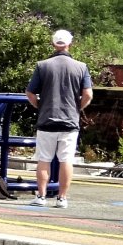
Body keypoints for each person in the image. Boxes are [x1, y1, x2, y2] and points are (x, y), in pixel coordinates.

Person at [25, 29, 93, 208]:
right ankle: (62, 198)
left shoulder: (42, 66)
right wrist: (77, 108)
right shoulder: (81, 67)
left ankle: (41, 196)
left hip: (46, 120)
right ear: (70, 43)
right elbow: (88, 94)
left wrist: (40, 106)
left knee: (44, 160)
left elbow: (30, 92)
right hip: (70, 121)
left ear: (53, 44)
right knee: (66, 160)